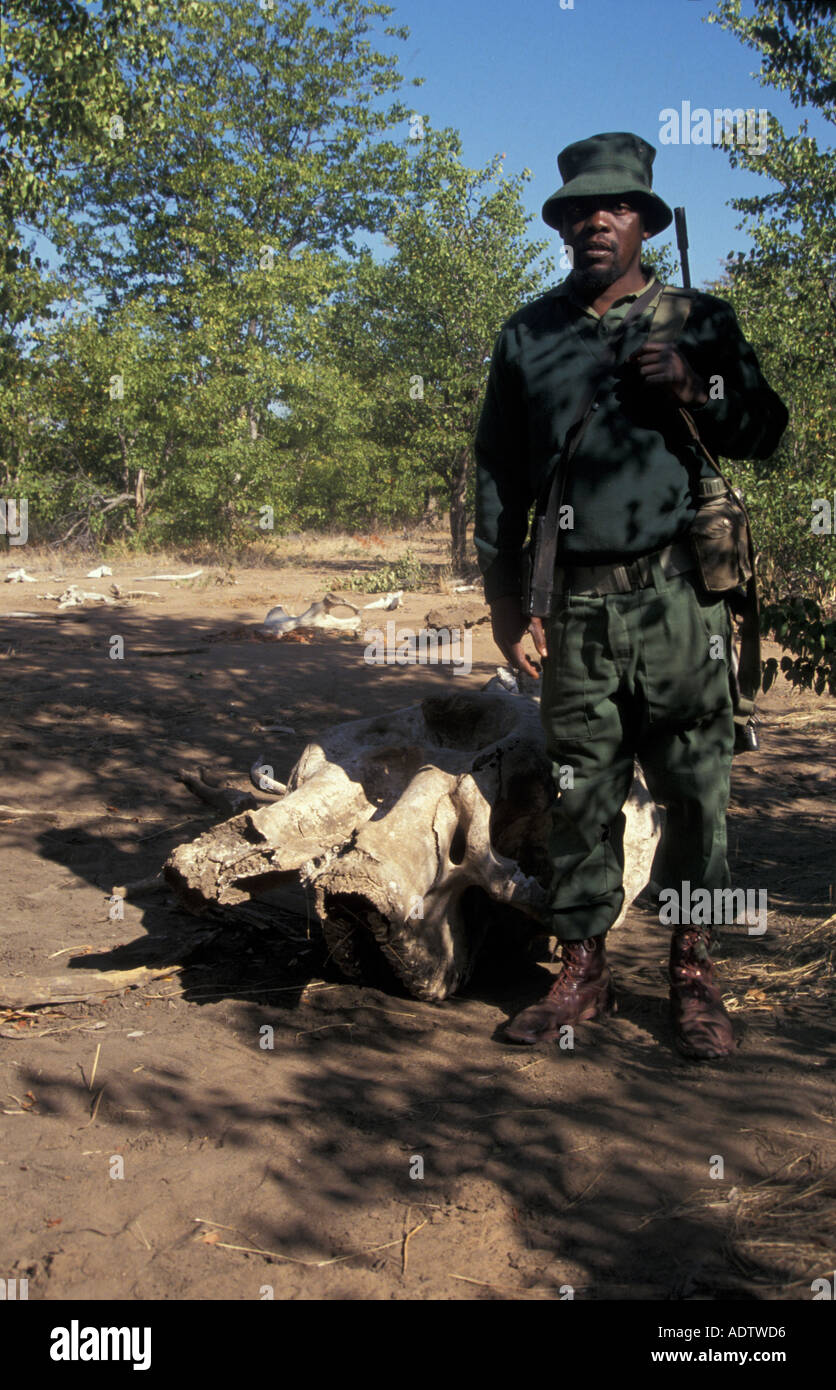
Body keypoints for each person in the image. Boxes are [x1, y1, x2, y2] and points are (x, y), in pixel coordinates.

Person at [474, 131, 788, 1060]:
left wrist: (700, 383)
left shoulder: (700, 318)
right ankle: (584, 972)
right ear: (564, 224)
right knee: (580, 794)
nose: (595, 224)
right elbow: (497, 478)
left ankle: (691, 970)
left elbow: (766, 428)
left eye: (614, 209)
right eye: (580, 210)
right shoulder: (527, 335)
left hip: (680, 605)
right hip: (571, 611)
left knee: (696, 793)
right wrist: (503, 607)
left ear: (645, 222)